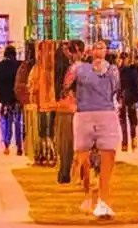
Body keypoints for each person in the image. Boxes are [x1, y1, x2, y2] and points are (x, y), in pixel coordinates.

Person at [66, 40, 122, 218]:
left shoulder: (112, 70)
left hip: (103, 113)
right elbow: (66, 85)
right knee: (84, 159)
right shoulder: (79, 68)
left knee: (107, 158)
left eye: (102, 47)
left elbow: (116, 89)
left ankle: (103, 201)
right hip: (86, 114)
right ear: (90, 52)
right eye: (96, 48)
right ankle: (89, 196)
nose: (99, 51)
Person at [55, 40, 85, 184]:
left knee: (67, 143)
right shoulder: (81, 68)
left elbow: (66, 87)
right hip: (77, 109)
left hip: (69, 109)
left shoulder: (74, 68)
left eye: (70, 51)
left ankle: (66, 173)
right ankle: (78, 174)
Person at [0, 45, 24, 155]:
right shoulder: (20, 66)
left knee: (5, 121)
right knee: (18, 122)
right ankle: (19, 146)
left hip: (5, 99)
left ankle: (6, 144)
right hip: (17, 98)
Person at [118, 53, 138, 151]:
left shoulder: (120, 71)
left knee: (126, 120)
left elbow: (117, 86)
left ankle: (127, 143)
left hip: (124, 97)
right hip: (128, 97)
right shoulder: (132, 70)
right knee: (129, 120)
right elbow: (137, 84)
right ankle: (131, 142)